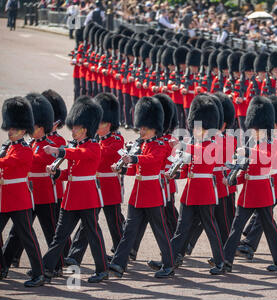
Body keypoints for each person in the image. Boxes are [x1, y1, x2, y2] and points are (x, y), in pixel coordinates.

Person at [42, 96, 109, 284]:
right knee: (60, 236)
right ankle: (46, 268)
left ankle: (102, 269)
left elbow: (79, 155)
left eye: (75, 128)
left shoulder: (94, 146)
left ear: (85, 129)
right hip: (71, 197)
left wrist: (59, 151)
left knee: (94, 236)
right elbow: (70, 174)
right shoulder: (75, 145)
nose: (73, 131)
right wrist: (56, 174)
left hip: (87, 198)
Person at [109, 97, 175, 279]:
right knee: (129, 229)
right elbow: (135, 169)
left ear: (155, 127)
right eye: (141, 126)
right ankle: (118, 263)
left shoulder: (160, 145)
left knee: (160, 231)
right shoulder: (142, 144)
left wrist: (134, 159)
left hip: (153, 193)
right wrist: (121, 168)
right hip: (138, 193)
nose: (142, 130)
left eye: (145, 127)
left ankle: (169, 264)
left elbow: (153, 160)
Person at [222, 96, 277, 272]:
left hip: (263, 191)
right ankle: (226, 261)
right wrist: (235, 177)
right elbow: (247, 167)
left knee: (270, 228)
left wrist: (248, 152)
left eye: (256, 128)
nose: (254, 131)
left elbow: (267, 161)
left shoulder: (272, 143)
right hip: (249, 191)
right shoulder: (254, 142)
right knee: (236, 227)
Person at [167, 95, 226, 275]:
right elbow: (188, 167)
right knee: (181, 227)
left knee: (210, 228)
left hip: (205, 190)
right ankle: (168, 260)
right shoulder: (195, 143)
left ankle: (220, 261)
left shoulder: (213, 143)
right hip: (191, 190)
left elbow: (202, 155)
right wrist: (174, 173)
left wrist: (182, 145)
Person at [64, 93, 125, 266]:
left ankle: (122, 254)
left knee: (115, 224)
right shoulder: (94, 140)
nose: (97, 126)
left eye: (101, 123)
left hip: (109, 185)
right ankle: (75, 256)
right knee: (88, 224)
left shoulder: (117, 139)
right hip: (94, 187)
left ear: (109, 124)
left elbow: (103, 154)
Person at [0, 97, 45, 287]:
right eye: (10, 128)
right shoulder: (9, 146)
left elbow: (6, 163)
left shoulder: (25, 150)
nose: (10, 132)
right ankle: (2, 267)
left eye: (14, 129)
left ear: (23, 130)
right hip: (5, 198)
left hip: (19, 199)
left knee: (28, 237)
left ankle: (39, 273)